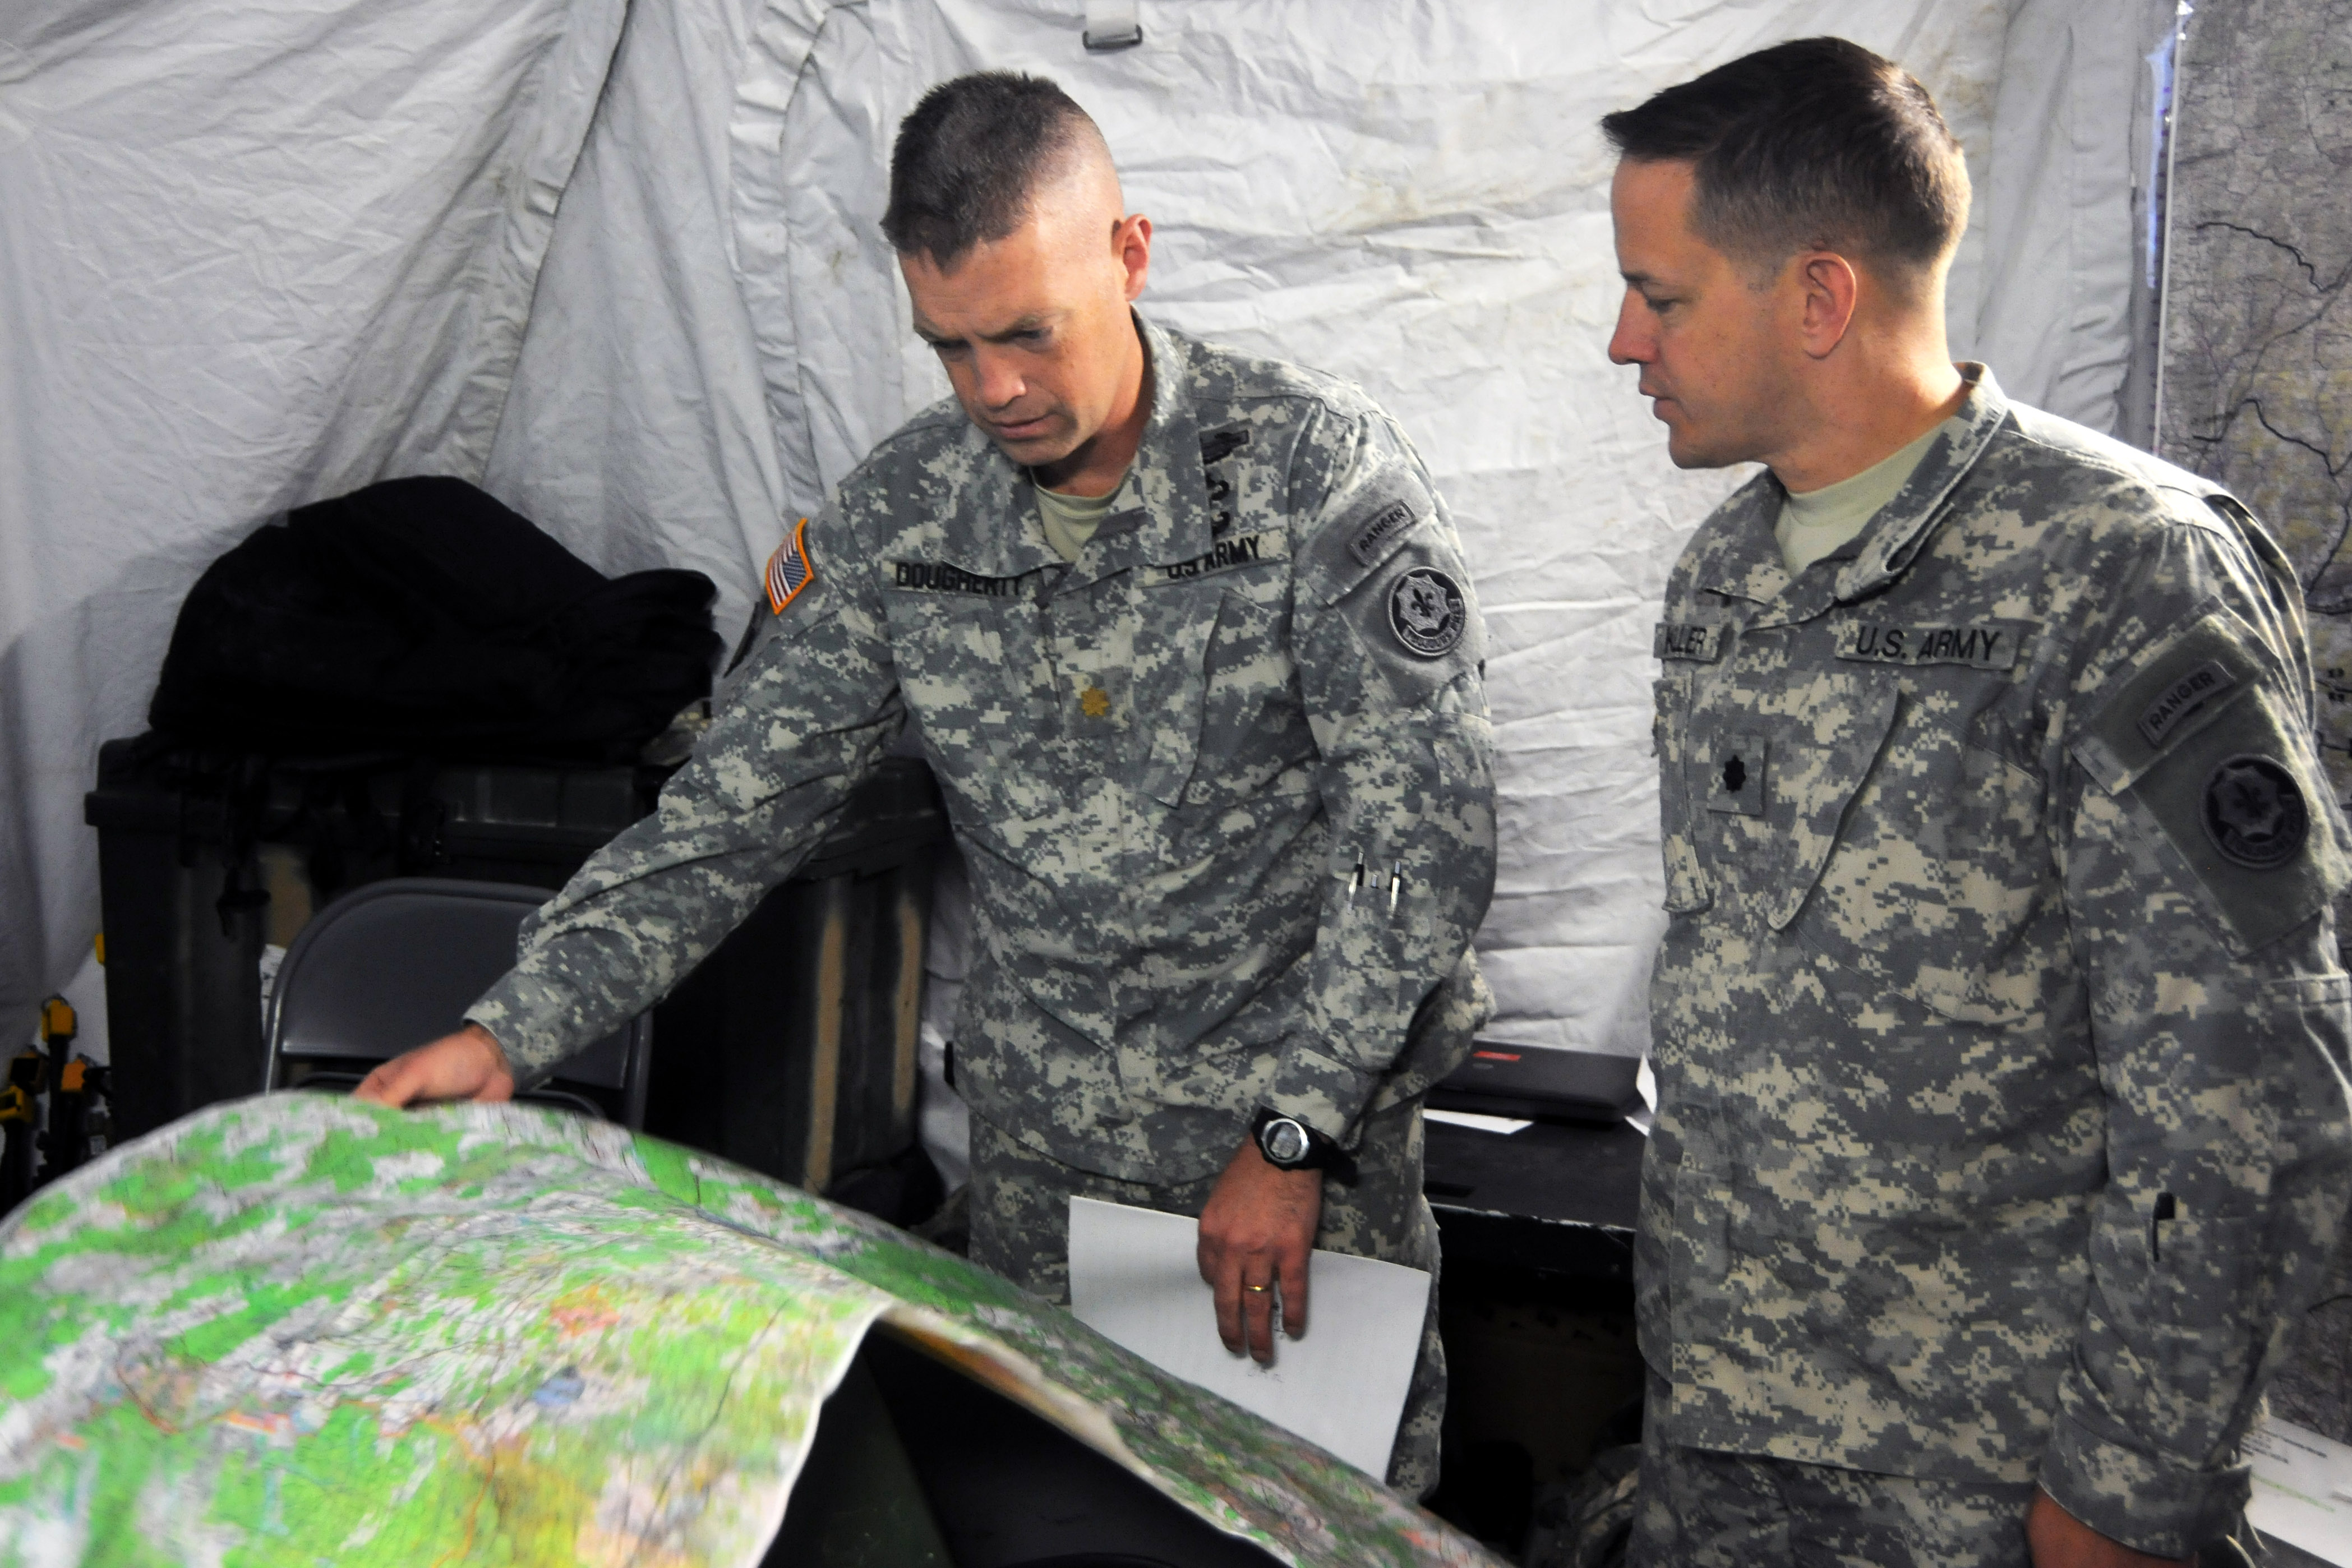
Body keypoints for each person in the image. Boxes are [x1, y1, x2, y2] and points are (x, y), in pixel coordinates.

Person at [354, 70, 1496, 1495]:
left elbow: (1420, 847)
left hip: (1279, 1195)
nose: (994, 390)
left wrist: (1293, 1134)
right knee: (1046, 1529)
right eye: (949, 347)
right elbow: (730, 812)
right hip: (1043, 1205)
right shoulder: (907, 514)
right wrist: (513, 1030)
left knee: (1305, 1533)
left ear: (1128, 257)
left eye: (1029, 334)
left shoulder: (1312, 478)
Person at [1603, 36, 2352, 1568]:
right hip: (1727, 1447)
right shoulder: (1726, 576)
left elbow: (2243, 1079)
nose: (1623, 339)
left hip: (1985, 1487)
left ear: (1818, 296)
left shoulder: (2128, 570)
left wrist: (2130, 1490)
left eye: (1660, 296)